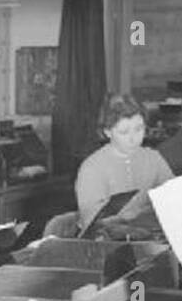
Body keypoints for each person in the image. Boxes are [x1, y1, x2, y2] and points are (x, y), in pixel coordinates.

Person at [75, 93, 175, 230]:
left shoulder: (153, 157)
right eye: (124, 132)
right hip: (106, 241)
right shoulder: (92, 169)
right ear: (107, 132)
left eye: (139, 129)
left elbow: (173, 198)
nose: (133, 138)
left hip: (145, 235)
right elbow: (94, 225)